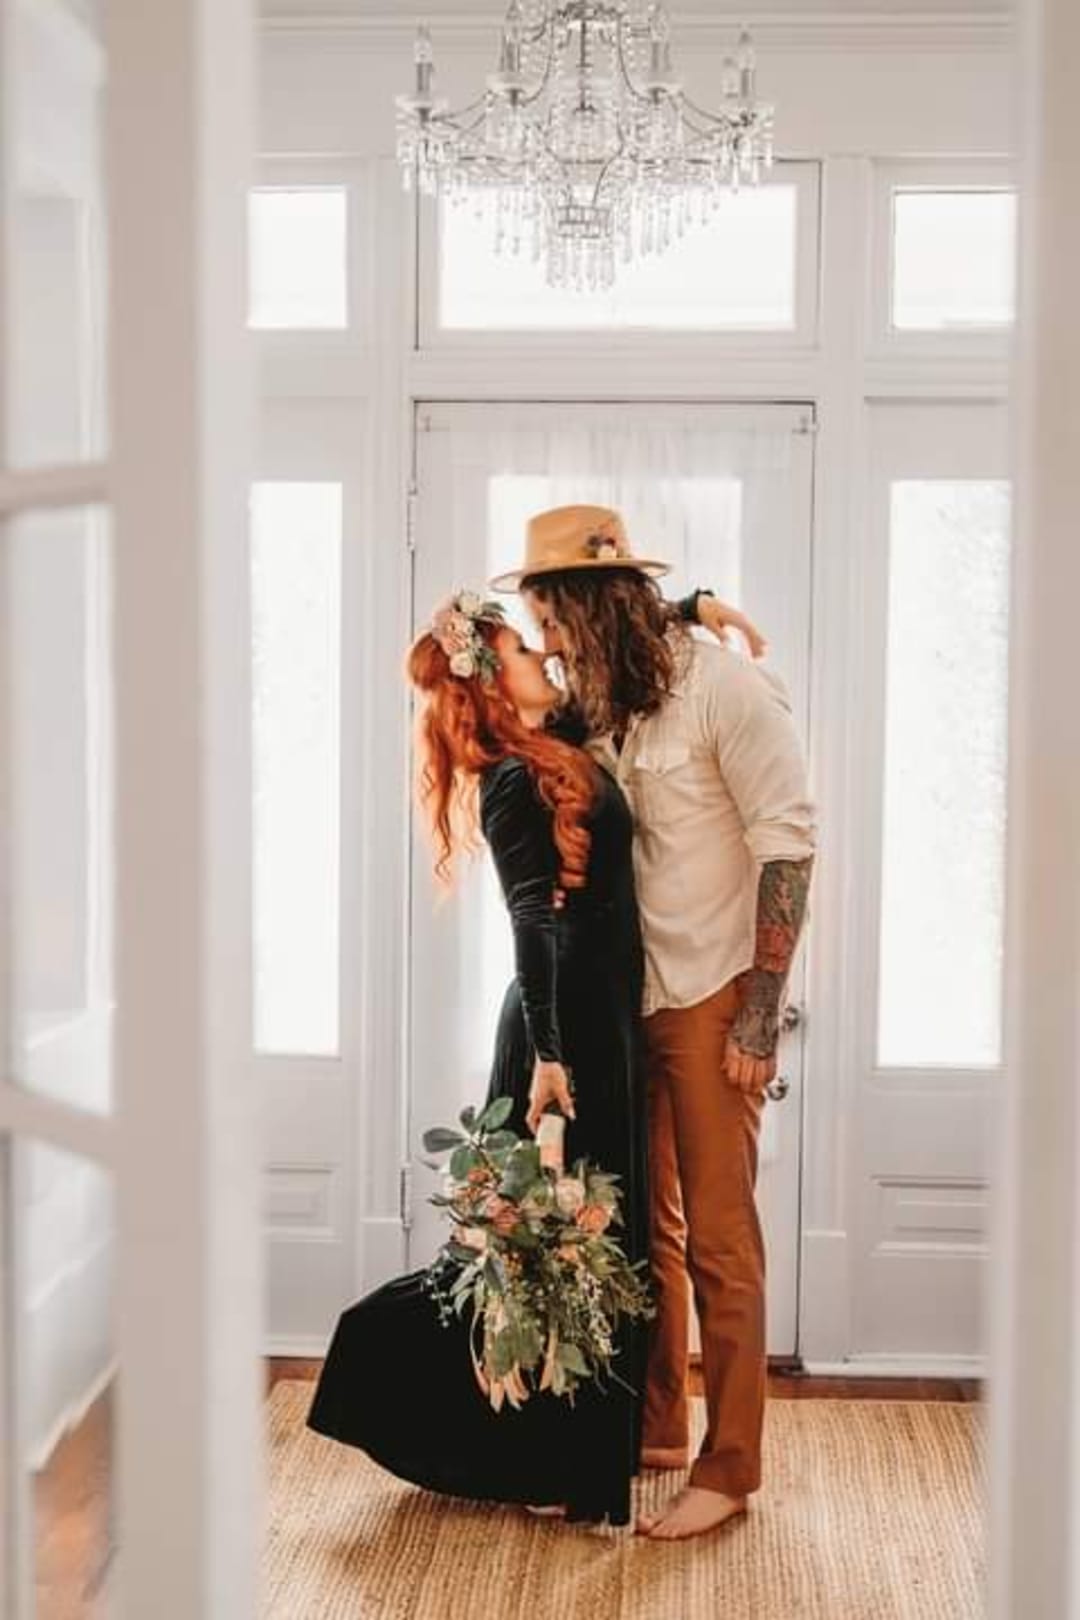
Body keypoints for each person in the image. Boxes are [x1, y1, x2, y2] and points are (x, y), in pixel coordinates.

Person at [491, 504, 818, 1541]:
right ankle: (653, 1433)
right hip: (627, 1004)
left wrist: (759, 1019)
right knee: (646, 1231)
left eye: (555, 623)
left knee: (722, 1241)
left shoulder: (728, 687)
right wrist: (686, 597)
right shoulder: (608, 691)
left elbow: (790, 848)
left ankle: (732, 1471)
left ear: (595, 609)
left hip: (715, 992)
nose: (548, 649)